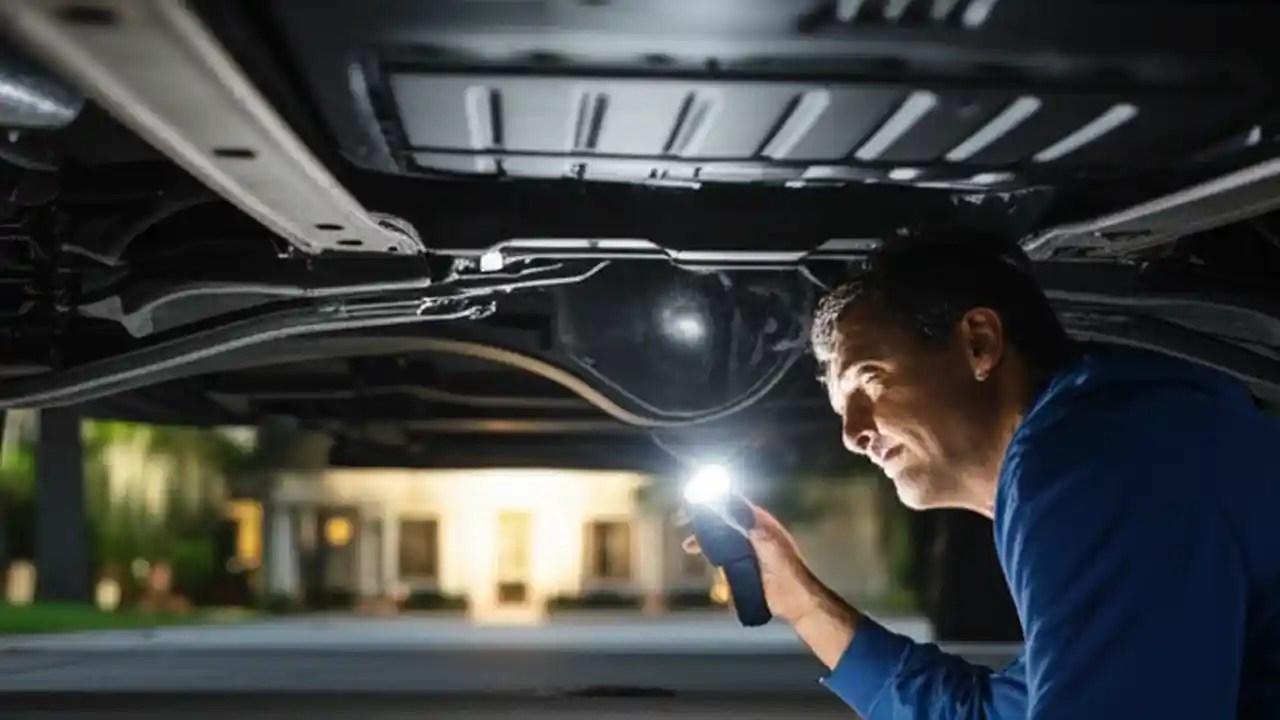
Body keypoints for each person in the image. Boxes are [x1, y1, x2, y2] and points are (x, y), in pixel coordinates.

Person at [688, 237, 1280, 718]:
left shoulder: (1086, 463)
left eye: (870, 381)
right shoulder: (1105, 447)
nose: (853, 433)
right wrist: (801, 600)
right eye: (843, 409)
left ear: (979, 342)